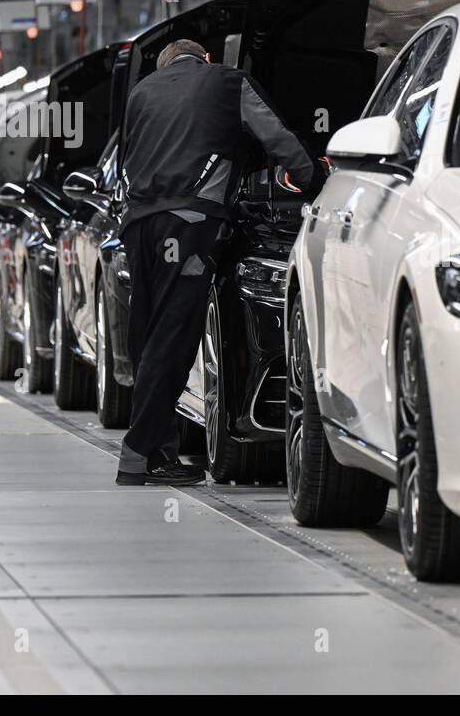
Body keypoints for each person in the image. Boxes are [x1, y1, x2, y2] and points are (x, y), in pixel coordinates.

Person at [115, 39, 317, 486]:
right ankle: (134, 456)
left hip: (138, 225)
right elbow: (277, 136)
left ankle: (157, 454)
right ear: (206, 58)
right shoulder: (228, 81)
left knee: (148, 337)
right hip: (188, 223)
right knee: (174, 337)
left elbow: (128, 158)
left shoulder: (142, 92)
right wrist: (313, 180)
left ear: (166, 65)